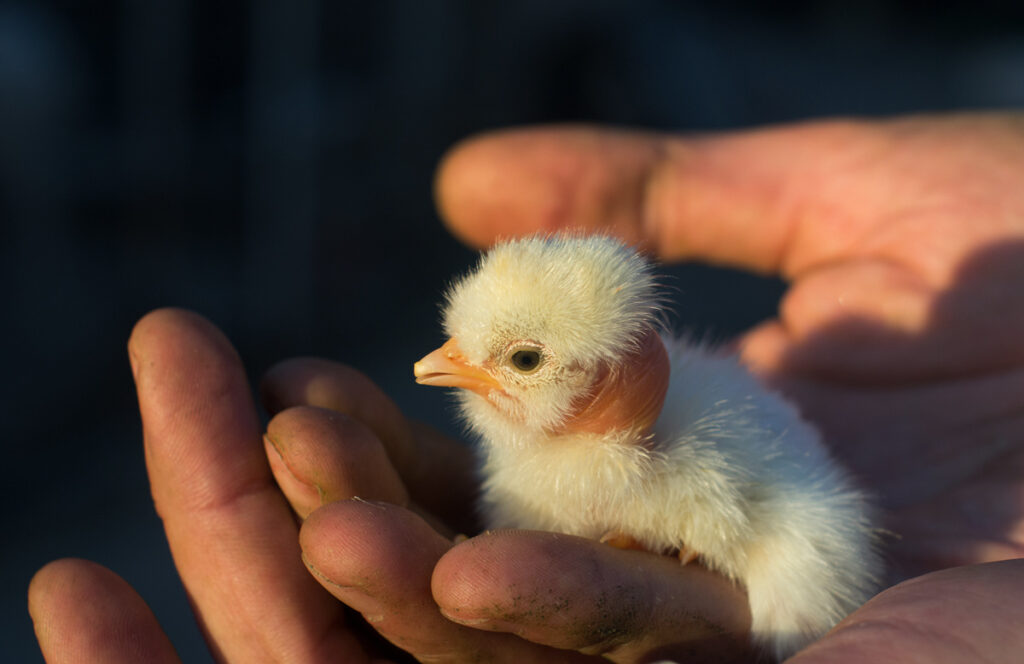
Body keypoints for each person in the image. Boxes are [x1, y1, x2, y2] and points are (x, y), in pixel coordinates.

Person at [30, 113, 1024, 663]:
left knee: (797, 578)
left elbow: (808, 536)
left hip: (767, 535)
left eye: (517, 360)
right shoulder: (545, 455)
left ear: (604, 385)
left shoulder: (696, 441)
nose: (442, 365)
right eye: (468, 345)